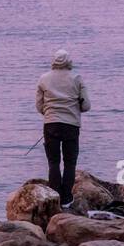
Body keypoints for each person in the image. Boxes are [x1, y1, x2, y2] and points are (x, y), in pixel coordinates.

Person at [36, 49, 90, 205]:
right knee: (69, 163)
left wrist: (50, 113)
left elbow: (39, 106)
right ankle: (67, 199)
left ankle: (54, 197)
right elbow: (86, 106)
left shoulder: (43, 79)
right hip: (71, 126)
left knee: (53, 162)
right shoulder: (77, 78)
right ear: (69, 61)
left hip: (51, 124)